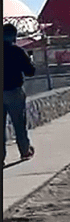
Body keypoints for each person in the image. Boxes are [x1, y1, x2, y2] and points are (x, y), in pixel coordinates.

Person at [4, 24, 36, 165]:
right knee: (19, 124)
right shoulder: (17, 51)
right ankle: (24, 151)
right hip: (14, 91)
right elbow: (30, 71)